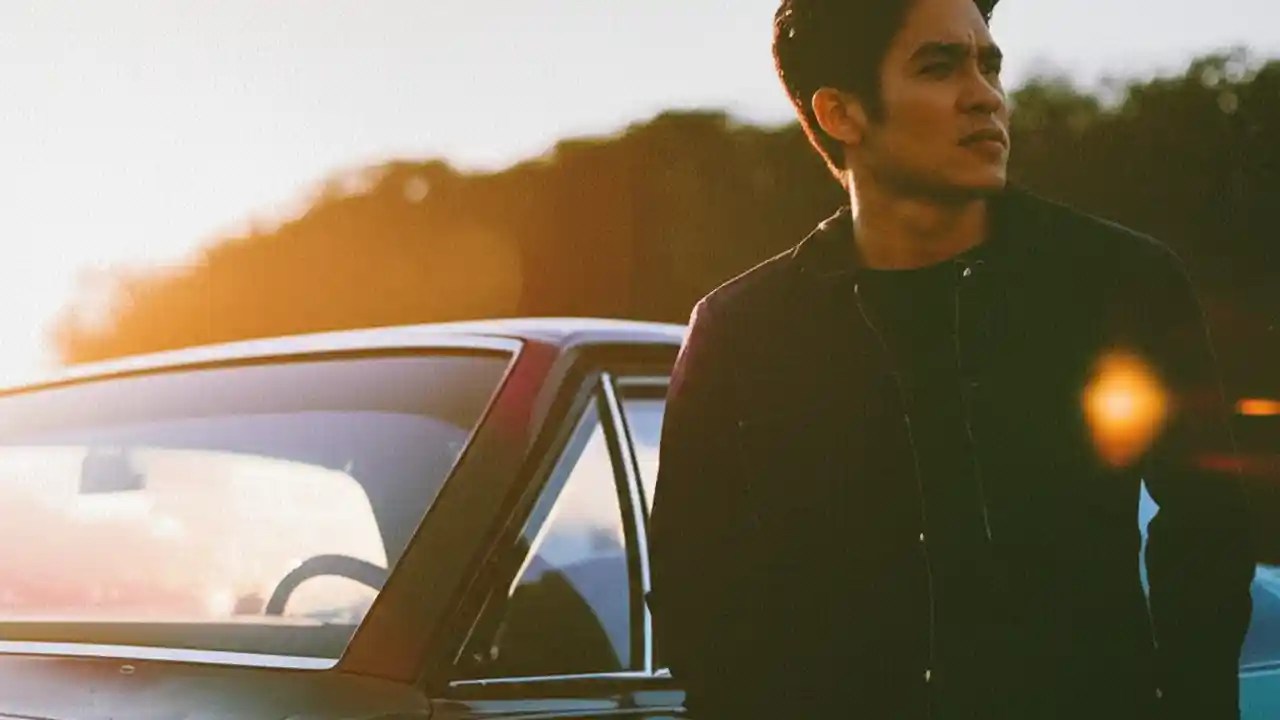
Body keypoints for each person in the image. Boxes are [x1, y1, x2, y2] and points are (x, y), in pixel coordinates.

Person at [646, 0, 1255, 717]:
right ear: (842, 113)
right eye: (939, 67)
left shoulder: (1120, 281)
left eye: (989, 64)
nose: (985, 96)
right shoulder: (740, 331)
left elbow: (1207, 526)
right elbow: (694, 601)